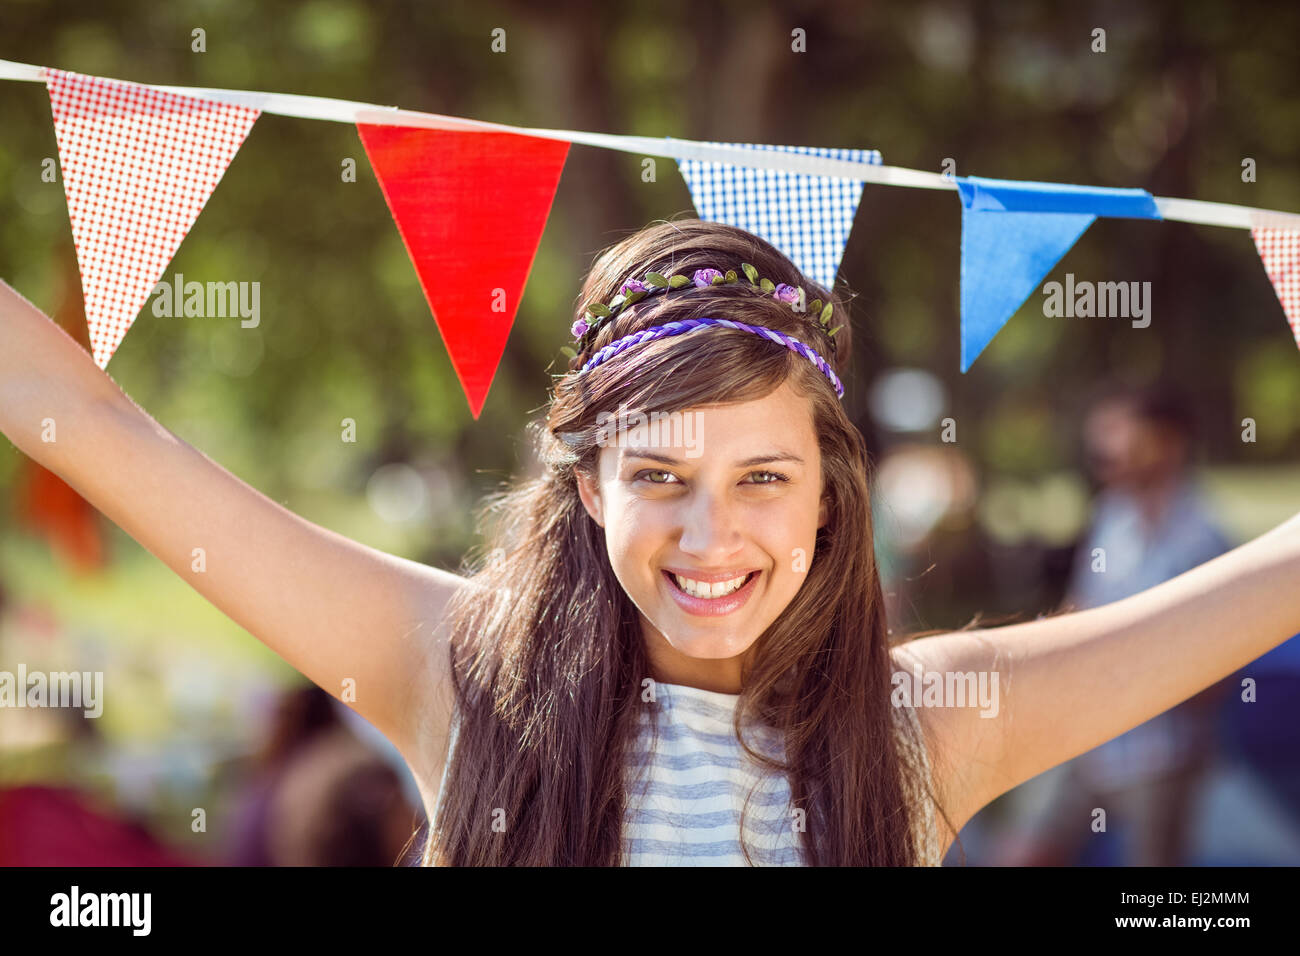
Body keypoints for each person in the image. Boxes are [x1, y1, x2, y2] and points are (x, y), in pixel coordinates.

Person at [2, 217, 1298, 866]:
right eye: (659, 475)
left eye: (763, 478)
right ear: (586, 488)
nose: (710, 535)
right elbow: (84, 423)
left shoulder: (923, 726)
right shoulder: (456, 670)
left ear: (830, 500)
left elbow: (1270, 581)